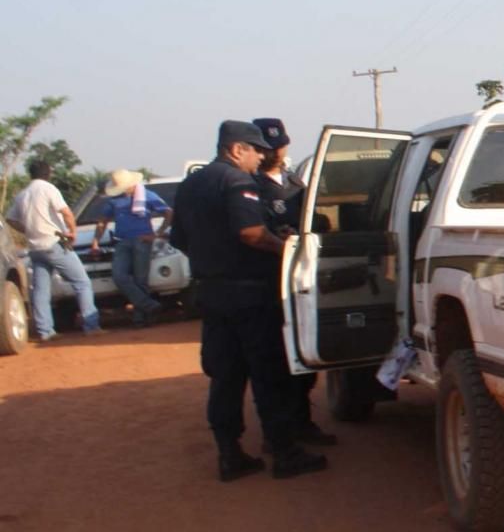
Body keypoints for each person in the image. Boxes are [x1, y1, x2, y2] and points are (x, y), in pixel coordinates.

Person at [171, 120, 328, 482]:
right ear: (236, 149)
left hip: (211, 293)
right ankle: (284, 453)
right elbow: (251, 233)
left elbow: (179, 238)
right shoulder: (237, 181)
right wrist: (286, 249)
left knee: (225, 376)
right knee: (268, 374)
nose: (260, 157)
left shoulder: (192, 183)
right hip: (250, 294)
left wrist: (214, 256)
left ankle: (230, 454)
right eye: (255, 150)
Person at [251, 117, 338, 448]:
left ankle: (302, 422)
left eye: (279, 145)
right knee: (274, 363)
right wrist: (278, 237)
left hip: (300, 283)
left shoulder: (296, 182)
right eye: (268, 147)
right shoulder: (249, 185)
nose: (275, 152)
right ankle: (279, 433)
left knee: (304, 359)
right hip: (267, 285)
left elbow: (315, 219)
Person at [4, 160, 101, 340]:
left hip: (35, 247)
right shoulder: (48, 189)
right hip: (53, 243)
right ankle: (91, 325)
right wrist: (72, 232)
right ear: (48, 173)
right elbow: (66, 212)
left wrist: (27, 230)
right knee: (82, 282)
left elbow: (10, 219)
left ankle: (45, 331)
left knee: (41, 290)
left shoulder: (22, 194)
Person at [91, 168, 171, 327]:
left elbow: (168, 212)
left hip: (142, 240)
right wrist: (95, 242)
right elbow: (102, 222)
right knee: (119, 276)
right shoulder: (114, 201)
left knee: (141, 280)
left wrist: (157, 234)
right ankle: (150, 306)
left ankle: (140, 319)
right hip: (122, 241)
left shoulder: (147, 195)